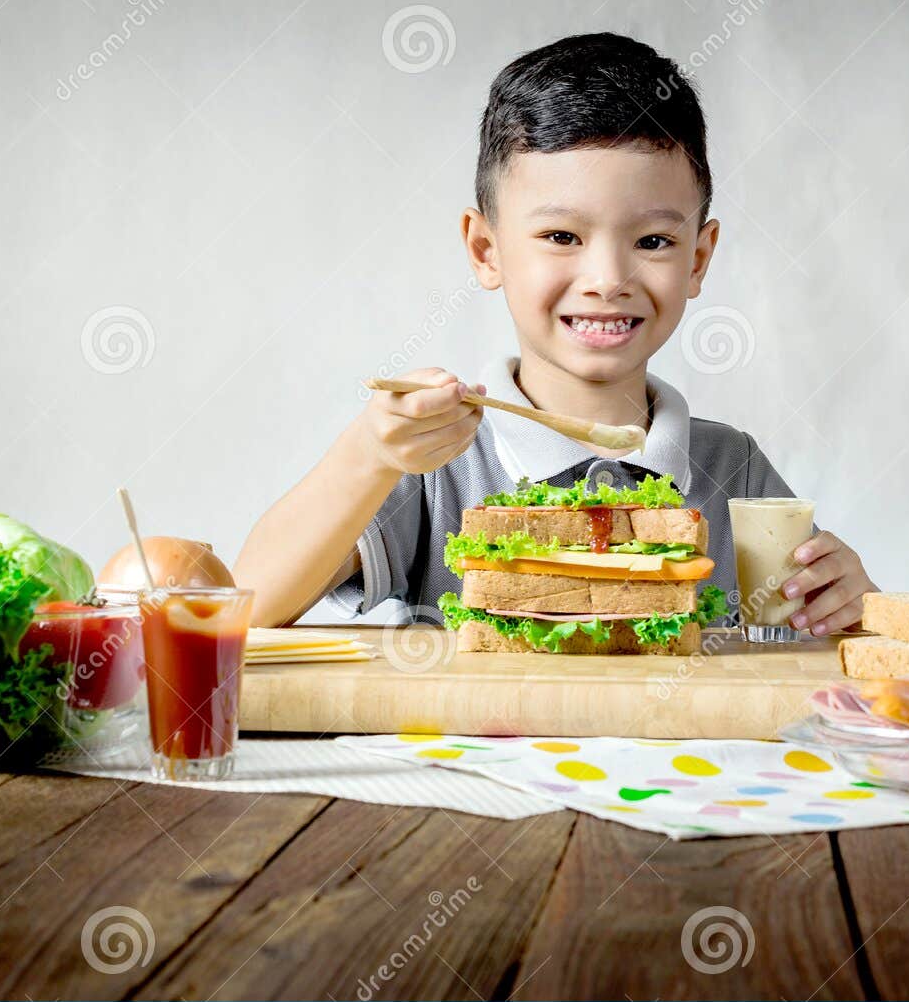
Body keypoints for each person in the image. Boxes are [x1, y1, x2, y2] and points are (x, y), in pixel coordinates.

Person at [236, 32, 875, 631]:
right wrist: (368, 456)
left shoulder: (732, 470)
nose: (607, 278)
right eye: (561, 237)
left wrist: (852, 604)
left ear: (698, 259)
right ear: (487, 249)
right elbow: (249, 606)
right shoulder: (437, 461)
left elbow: (823, 650)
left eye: (653, 241)